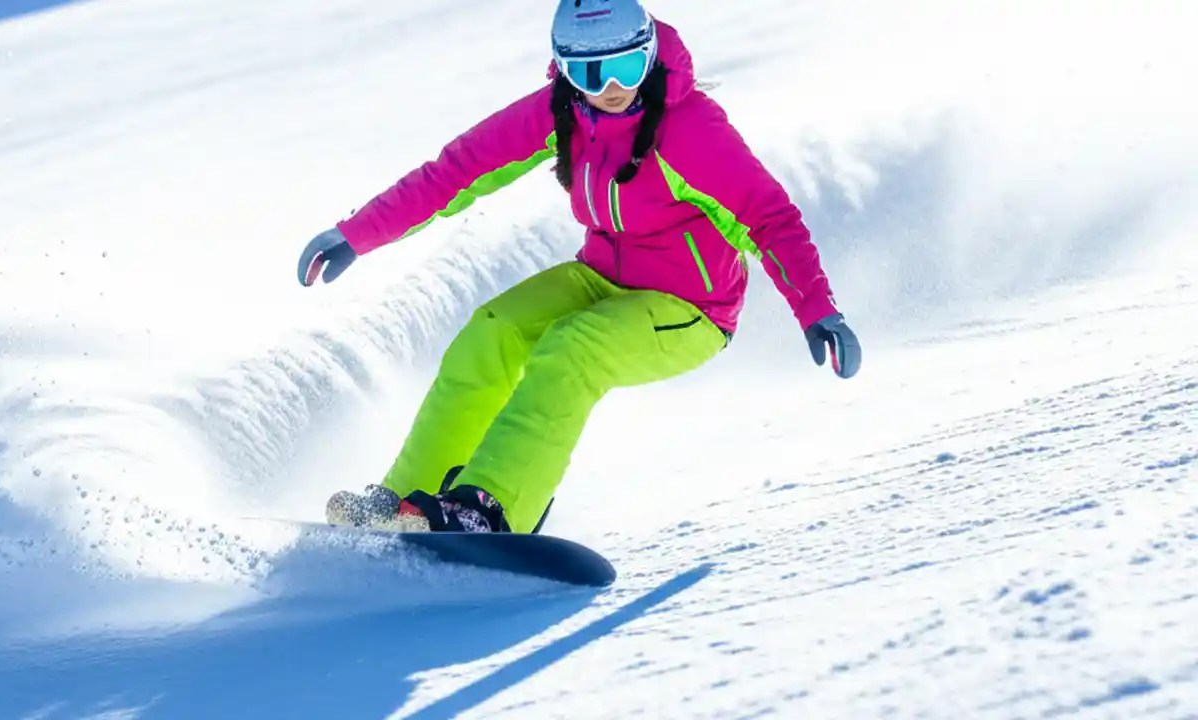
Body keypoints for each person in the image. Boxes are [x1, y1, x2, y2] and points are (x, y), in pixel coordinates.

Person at [298, 0, 862, 534]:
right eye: (592, 73)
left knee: (572, 349)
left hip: (692, 307)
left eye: (625, 66)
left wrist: (818, 309)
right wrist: (355, 234)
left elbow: (768, 217)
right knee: (491, 331)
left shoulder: (689, 129)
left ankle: (491, 509)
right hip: (600, 279)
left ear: (648, 53)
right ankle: (406, 499)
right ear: (565, 71)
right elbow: (457, 172)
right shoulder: (561, 112)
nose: (613, 88)